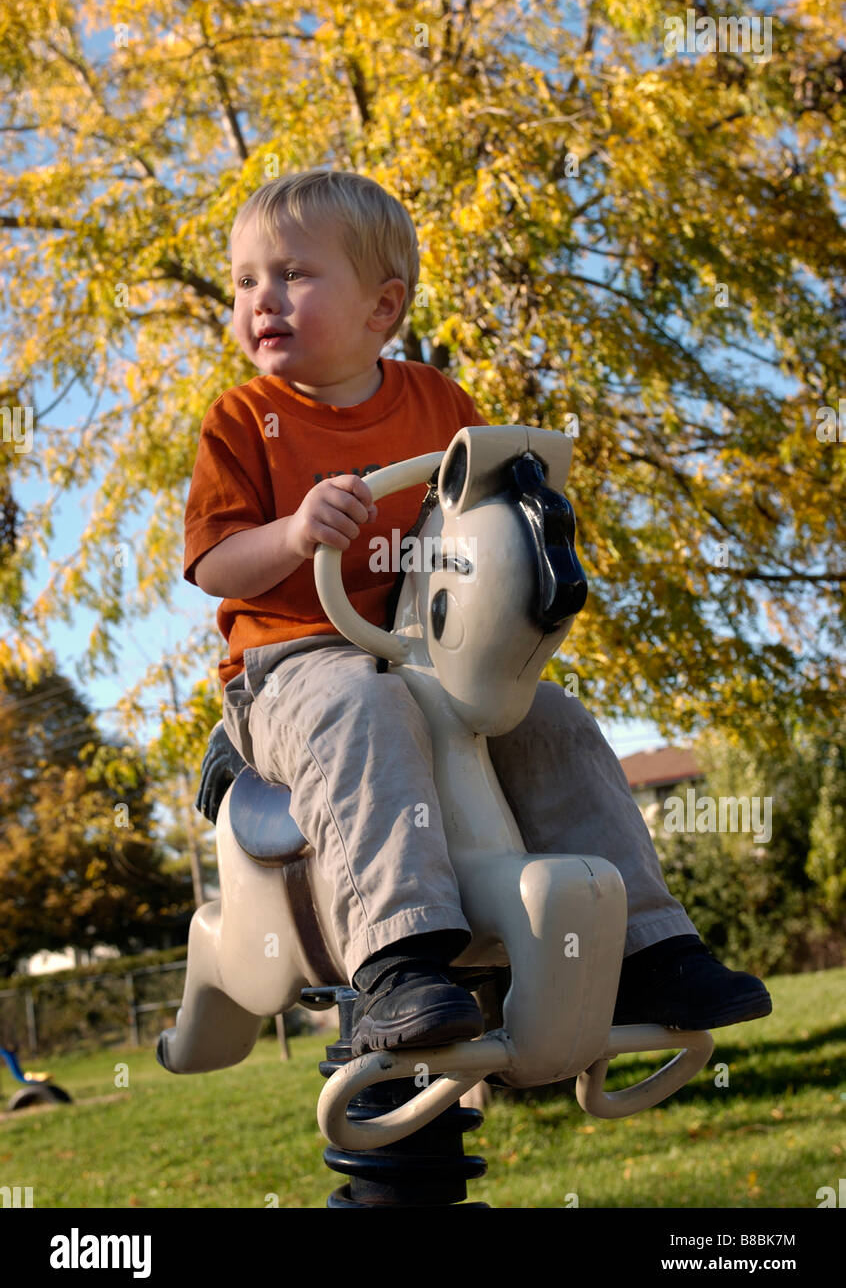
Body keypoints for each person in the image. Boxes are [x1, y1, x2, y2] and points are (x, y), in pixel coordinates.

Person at [183, 168, 772, 1057]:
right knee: (363, 706)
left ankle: (650, 945)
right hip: (296, 664)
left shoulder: (438, 406)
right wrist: (298, 533)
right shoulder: (242, 419)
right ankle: (399, 956)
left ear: (384, 308)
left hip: (430, 656)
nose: (262, 298)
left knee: (552, 721)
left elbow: (484, 519)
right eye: (245, 280)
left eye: (295, 274)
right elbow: (213, 562)